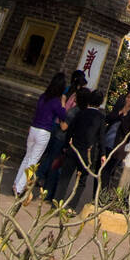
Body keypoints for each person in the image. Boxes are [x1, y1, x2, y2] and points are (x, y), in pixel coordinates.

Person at [13, 73, 67, 196]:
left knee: (27, 157)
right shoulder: (56, 101)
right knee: (33, 160)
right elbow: (63, 116)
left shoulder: (43, 96)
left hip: (34, 128)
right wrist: (63, 103)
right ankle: (20, 188)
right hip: (44, 131)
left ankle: (16, 183)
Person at [54, 88, 106, 212]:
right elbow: (101, 137)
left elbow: (70, 130)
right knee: (81, 181)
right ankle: (71, 207)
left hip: (73, 149)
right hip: (87, 153)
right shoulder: (100, 117)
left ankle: (56, 204)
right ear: (100, 102)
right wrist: (102, 154)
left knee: (64, 178)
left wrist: (66, 145)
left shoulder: (81, 113)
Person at [38, 69, 86, 200]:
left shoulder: (73, 104)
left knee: (53, 160)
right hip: (60, 134)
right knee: (53, 159)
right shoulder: (72, 101)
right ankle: (40, 178)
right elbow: (65, 123)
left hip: (60, 132)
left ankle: (42, 180)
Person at [101, 87, 130, 188]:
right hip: (108, 140)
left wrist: (125, 115)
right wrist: (120, 113)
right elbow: (108, 118)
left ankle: (102, 194)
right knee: (100, 169)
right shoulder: (119, 107)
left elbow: (127, 130)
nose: (129, 100)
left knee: (108, 171)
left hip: (117, 145)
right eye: (128, 97)